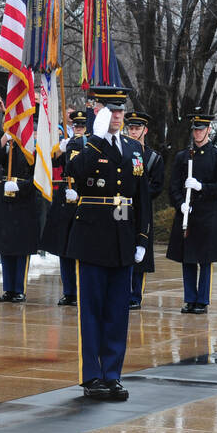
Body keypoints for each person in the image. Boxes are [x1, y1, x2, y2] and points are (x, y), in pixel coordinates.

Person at [66, 89, 151, 401]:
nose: (117, 116)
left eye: (120, 111)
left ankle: (112, 374)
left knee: (117, 312)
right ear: (98, 112)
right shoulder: (83, 145)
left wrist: (141, 238)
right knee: (91, 311)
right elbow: (76, 173)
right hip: (91, 237)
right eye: (110, 111)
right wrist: (98, 139)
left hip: (122, 238)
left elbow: (142, 199)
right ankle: (92, 376)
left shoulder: (133, 148)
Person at [166, 111, 217, 313]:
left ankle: (202, 300)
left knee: (204, 260)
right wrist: (180, 204)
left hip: (208, 215)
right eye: (195, 130)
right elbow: (173, 187)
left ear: (209, 130)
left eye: (201, 129)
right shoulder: (182, 157)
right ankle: (189, 298)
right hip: (188, 214)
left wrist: (201, 187)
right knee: (187, 259)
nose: (197, 134)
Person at [40, 108, 88, 305]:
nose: (78, 129)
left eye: (82, 126)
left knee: (80, 249)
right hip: (65, 196)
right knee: (63, 247)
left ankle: (80, 291)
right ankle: (68, 291)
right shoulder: (69, 143)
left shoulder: (91, 143)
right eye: (76, 125)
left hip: (82, 196)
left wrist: (80, 191)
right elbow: (51, 161)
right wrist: (60, 148)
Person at [0, 131, 42, 302]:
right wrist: (3, 140)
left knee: (21, 247)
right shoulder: (8, 146)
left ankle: (19, 288)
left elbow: (39, 177)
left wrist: (21, 186)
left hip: (24, 201)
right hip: (6, 197)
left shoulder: (33, 149)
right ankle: (8, 289)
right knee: (6, 245)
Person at [125, 111, 165, 309]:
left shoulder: (153, 158)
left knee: (140, 249)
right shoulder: (122, 151)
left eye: (137, 128)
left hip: (143, 208)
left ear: (145, 130)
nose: (133, 132)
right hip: (123, 207)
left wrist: (140, 193)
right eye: (131, 128)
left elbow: (157, 186)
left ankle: (135, 295)